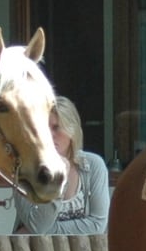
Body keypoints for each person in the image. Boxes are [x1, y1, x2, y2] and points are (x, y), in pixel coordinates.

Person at [15, 96, 109, 235]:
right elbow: (38, 227)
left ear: (72, 131)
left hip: (84, 249)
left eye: (56, 128)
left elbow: (97, 225)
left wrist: (49, 231)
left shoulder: (93, 165)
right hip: (33, 249)